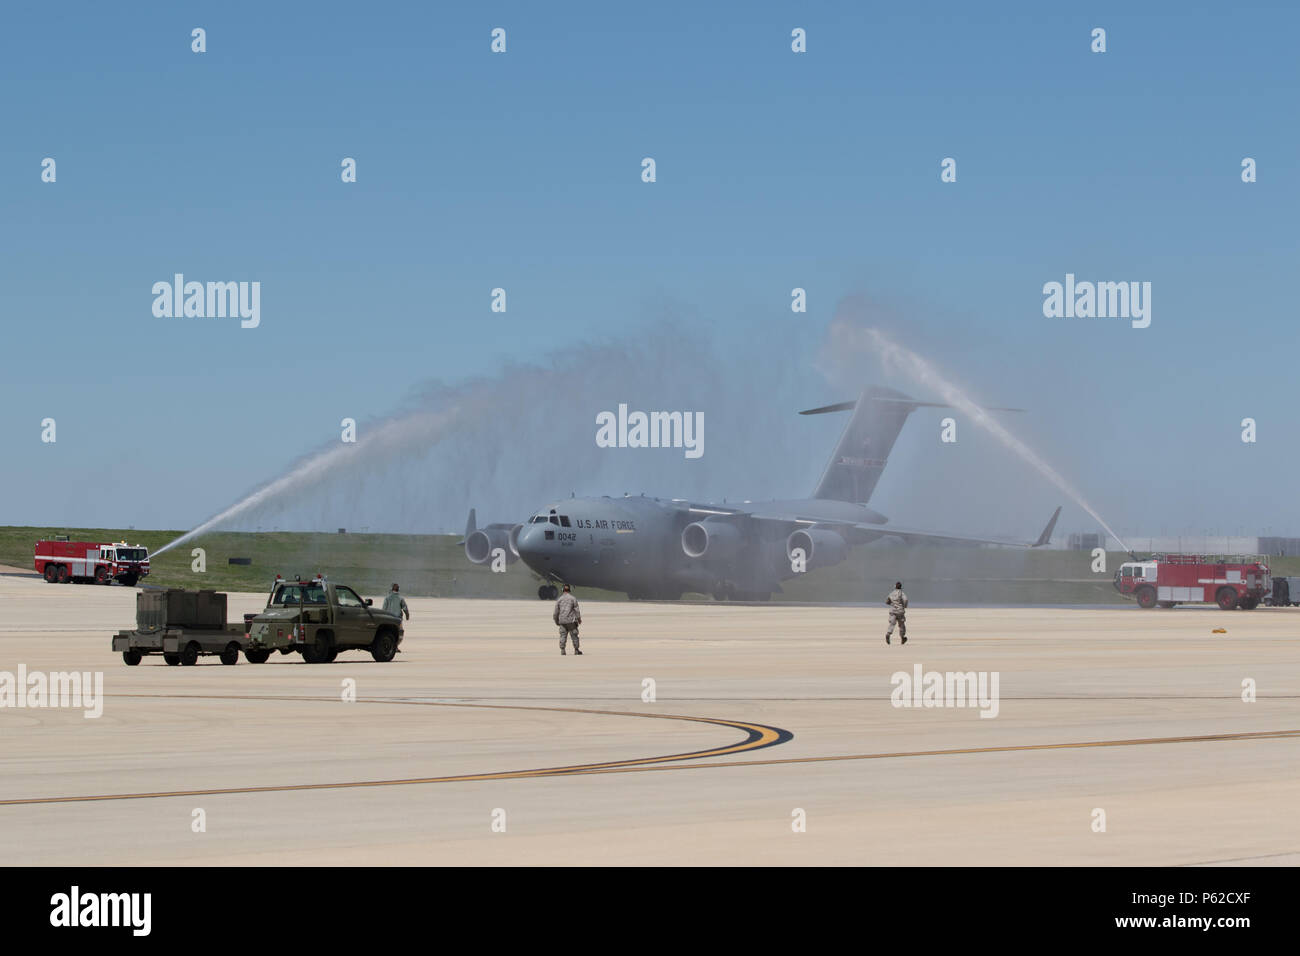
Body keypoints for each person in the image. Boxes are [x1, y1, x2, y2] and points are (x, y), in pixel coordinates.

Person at [553, 584, 582, 655]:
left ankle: (562, 650)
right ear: (569, 590)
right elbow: (577, 610)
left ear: (562, 590)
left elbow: (555, 613)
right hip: (571, 621)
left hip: (562, 621)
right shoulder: (573, 599)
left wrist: (556, 621)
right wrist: (579, 619)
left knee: (563, 635)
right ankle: (576, 650)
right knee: (574, 635)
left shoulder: (559, 600)